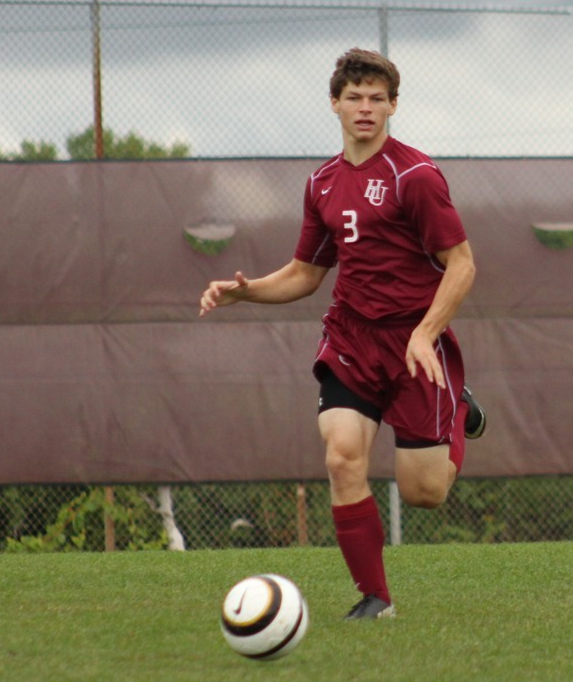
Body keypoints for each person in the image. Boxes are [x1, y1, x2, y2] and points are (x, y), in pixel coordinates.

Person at [198, 48, 486, 621]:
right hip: (351, 339)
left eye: (377, 98)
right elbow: (306, 273)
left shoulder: (416, 177)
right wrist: (246, 290)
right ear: (334, 103)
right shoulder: (323, 182)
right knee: (342, 458)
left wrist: (427, 334)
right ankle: (375, 597)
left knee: (424, 494)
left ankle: (458, 410)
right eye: (354, 96)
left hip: (413, 343)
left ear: (393, 107)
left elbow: (462, 264)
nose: (365, 107)